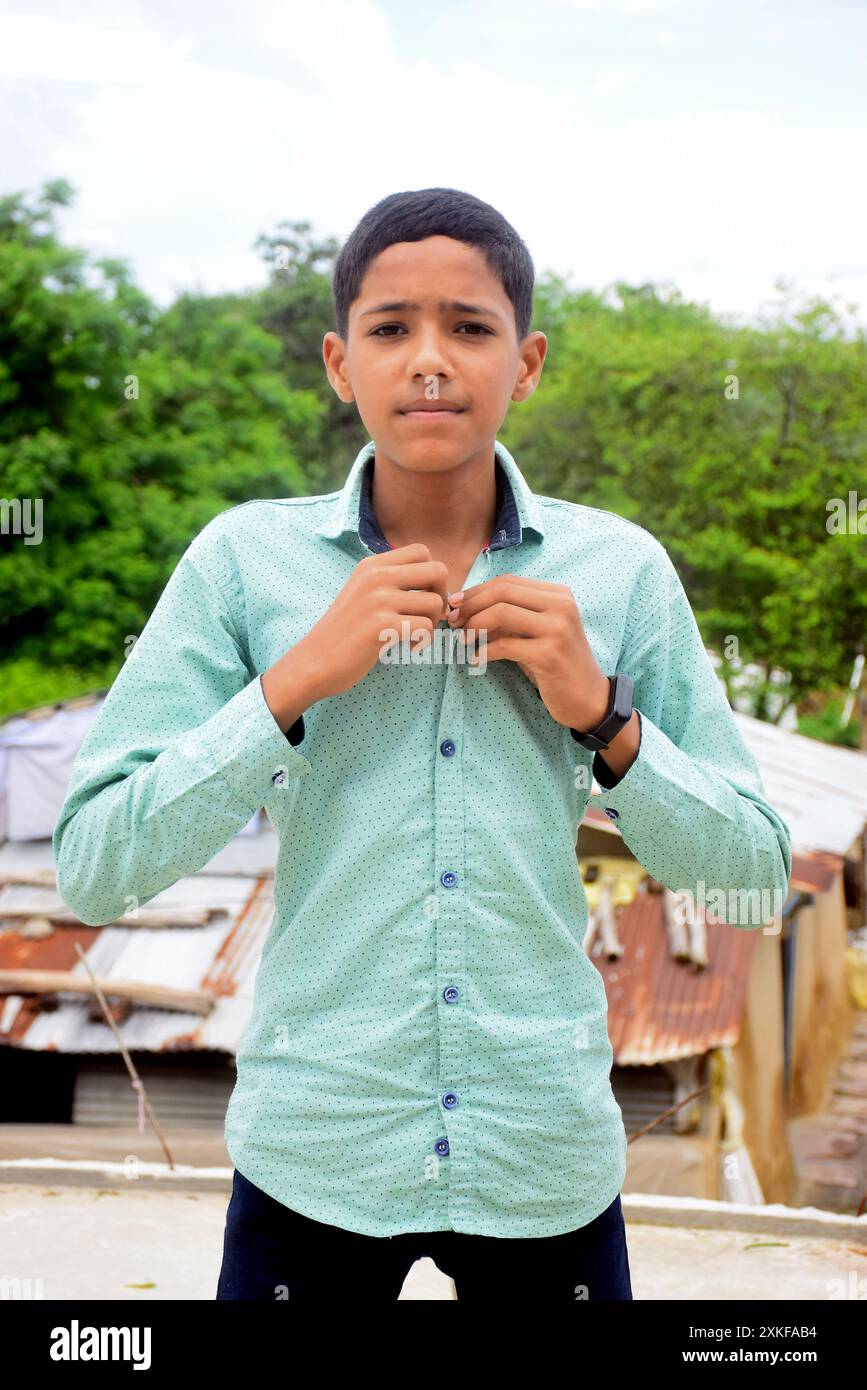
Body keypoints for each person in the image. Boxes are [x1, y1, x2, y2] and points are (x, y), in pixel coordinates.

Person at [52, 187, 792, 1302]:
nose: (431, 361)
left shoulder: (622, 572)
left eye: (471, 327)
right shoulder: (242, 563)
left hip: (541, 1149)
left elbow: (755, 877)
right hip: (317, 1146)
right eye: (392, 328)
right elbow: (96, 866)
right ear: (340, 364)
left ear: (527, 363)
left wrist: (603, 714)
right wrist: (295, 679)